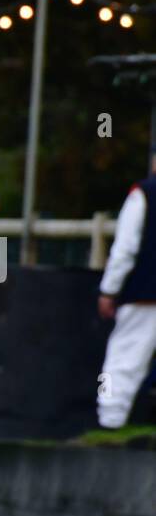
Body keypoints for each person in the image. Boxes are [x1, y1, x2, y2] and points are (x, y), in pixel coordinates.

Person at [96, 171, 156, 429]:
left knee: (122, 360)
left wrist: (109, 290)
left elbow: (125, 248)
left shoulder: (144, 193)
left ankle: (110, 420)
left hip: (146, 292)